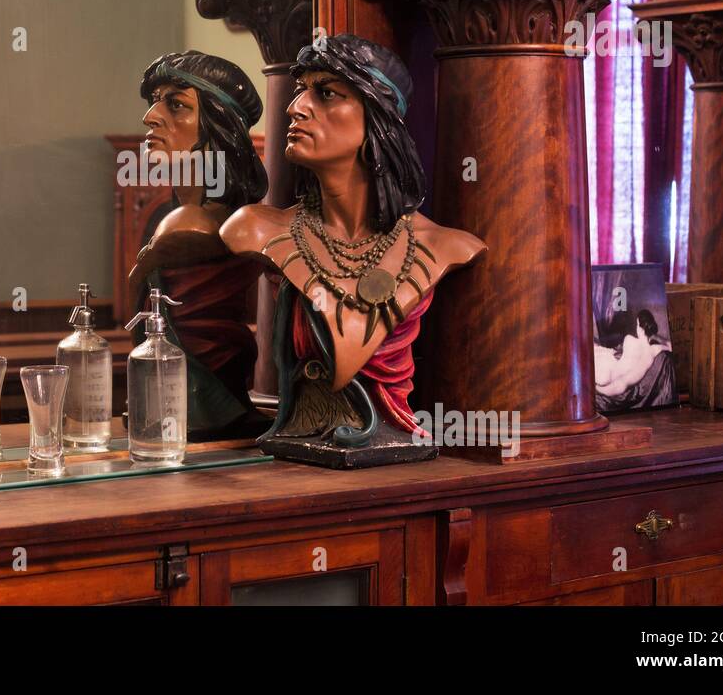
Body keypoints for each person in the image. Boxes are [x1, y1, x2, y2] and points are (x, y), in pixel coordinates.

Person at [221, 34, 485, 464]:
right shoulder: (255, 228)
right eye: (301, 90)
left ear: (376, 118)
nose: (296, 106)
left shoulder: (444, 246)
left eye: (325, 93)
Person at [128, 50, 272, 440]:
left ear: (218, 126)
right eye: (155, 102)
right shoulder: (205, 216)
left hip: (195, 412)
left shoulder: (187, 223)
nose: (151, 116)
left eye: (175, 104)